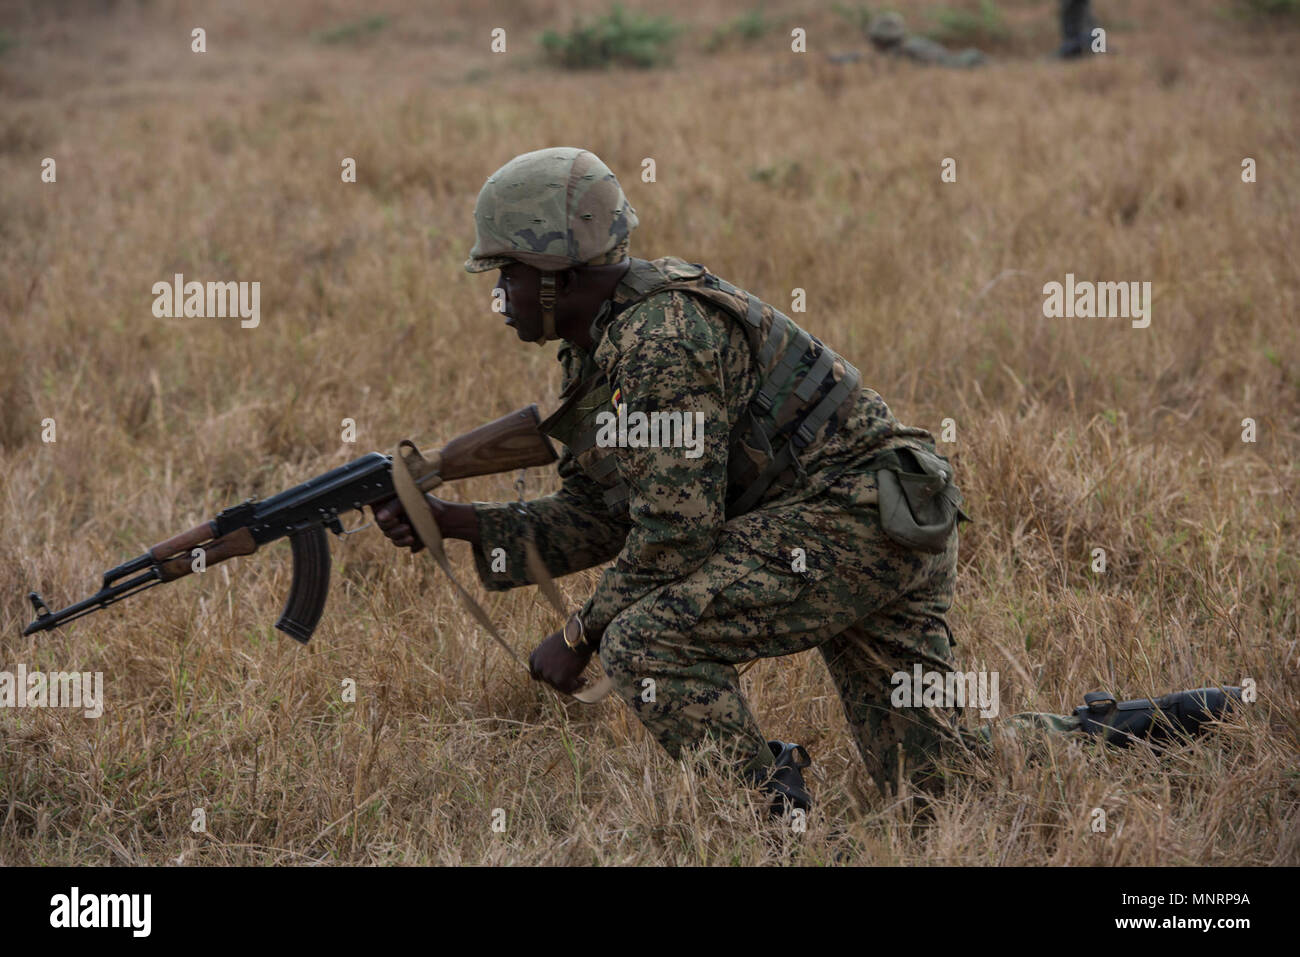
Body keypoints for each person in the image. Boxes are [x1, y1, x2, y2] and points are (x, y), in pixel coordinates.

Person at [373, 147, 1240, 813]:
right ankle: (1131, 729)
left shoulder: (659, 343)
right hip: (881, 520)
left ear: (557, 268)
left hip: (854, 522)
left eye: (507, 276)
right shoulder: (607, 337)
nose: (503, 298)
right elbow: (609, 511)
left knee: (647, 640)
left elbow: (675, 535)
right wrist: (455, 522)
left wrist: (580, 633)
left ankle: (769, 813)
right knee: (939, 783)